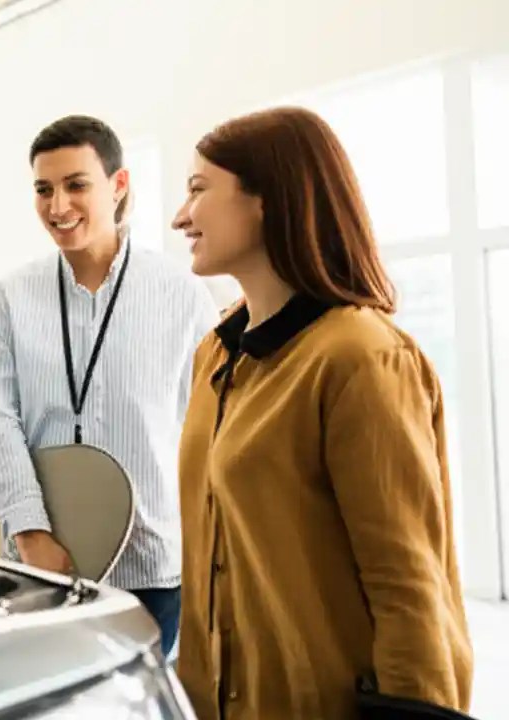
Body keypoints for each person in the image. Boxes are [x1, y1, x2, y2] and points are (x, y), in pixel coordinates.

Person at [170, 106, 473, 719]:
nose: (180, 217)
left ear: (267, 200)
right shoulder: (216, 352)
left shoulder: (361, 358)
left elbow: (407, 582)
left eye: (199, 190)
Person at [0, 115, 218, 657]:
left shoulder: (183, 294)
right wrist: (31, 533)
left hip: (153, 566)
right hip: (39, 565)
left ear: (118, 185)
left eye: (76, 185)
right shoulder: (8, 299)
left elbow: (209, 433)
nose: (58, 207)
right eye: (43, 189)